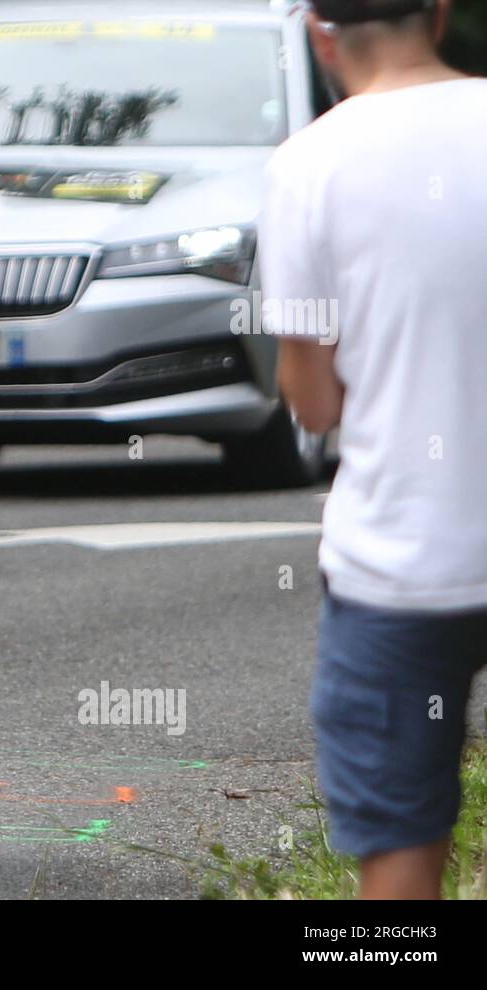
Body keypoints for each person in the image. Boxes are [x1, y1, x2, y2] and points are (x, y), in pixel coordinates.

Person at [259, 0, 487, 898]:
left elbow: (311, 402)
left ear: (320, 34)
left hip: (395, 563)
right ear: (436, 13)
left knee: (396, 852)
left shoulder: (306, 165)